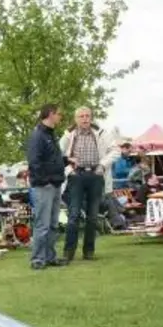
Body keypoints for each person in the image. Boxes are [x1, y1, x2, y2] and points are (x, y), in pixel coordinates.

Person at [58, 106, 117, 261]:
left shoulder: (102, 133)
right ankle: (68, 251)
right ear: (75, 119)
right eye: (81, 116)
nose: (84, 119)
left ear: (91, 118)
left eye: (87, 116)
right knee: (74, 214)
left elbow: (115, 151)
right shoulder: (69, 135)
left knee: (92, 216)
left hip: (96, 175)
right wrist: (69, 170)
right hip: (76, 176)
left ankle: (88, 251)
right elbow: (57, 154)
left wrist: (102, 165)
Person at [26, 103, 67, 270]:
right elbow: (34, 162)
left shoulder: (51, 135)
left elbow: (51, 160)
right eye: (58, 114)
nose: (60, 117)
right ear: (50, 114)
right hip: (45, 186)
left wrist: (66, 161)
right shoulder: (38, 135)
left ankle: (50, 256)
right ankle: (37, 259)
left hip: (55, 183)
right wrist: (46, 180)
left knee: (53, 224)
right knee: (42, 224)